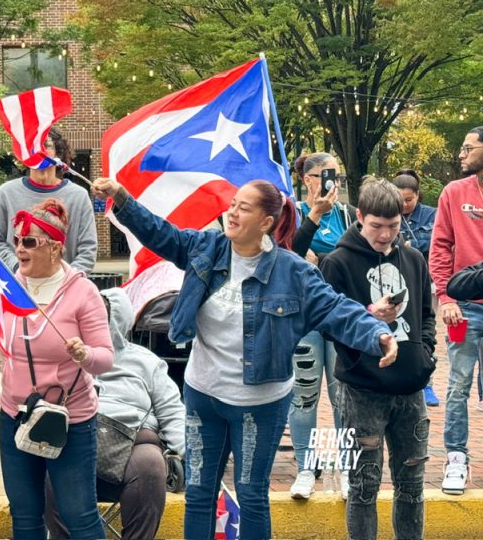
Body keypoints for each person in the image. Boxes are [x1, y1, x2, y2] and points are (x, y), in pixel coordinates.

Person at [91, 176, 397, 540]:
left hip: (260, 406)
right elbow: (162, 234)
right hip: (203, 397)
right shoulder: (207, 248)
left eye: (243, 207)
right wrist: (123, 199)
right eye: (233, 203)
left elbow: (336, 308)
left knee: (252, 495)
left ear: (266, 222)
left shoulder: (292, 271)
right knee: (200, 492)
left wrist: (378, 334)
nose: (232, 211)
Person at [0, 199, 114, 539]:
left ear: (56, 247)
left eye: (29, 242)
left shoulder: (83, 293)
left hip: (70, 419)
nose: (19, 248)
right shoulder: (6, 290)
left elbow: (105, 358)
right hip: (15, 415)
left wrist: (84, 355)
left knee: (80, 515)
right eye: (17, 241)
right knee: (25, 516)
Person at [320, 178, 434, 539]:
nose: (386, 235)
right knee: (363, 489)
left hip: (410, 390)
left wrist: (426, 354)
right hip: (362, 391)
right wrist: (370, 316)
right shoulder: (337, 262)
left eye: (394, 225)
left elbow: (426, 314)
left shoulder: (414, 258)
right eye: (377, 226)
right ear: (359, 217)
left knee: (413, 488)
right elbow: (326, 323)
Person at [44, 286, 185, 540]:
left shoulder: (146, 361)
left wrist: (187, 452)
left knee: (151, 466)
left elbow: (172, 410)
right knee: (48, 467)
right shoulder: (64, 356)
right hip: (75, 443)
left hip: (134, 445)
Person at [289, 152, 357, 499]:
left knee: (343, 395)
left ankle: (346, 467)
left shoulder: (348, 215)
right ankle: (305, 467)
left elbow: (356, 258)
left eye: (337, 175)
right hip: (304, 319)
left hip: (342, 316)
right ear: (307, 179)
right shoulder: (295, 212)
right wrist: (313, 216)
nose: (332, 181)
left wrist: (322, 261)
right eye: (324, 174)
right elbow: (289, 253)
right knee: (303, 395)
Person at [430, 125, 483, 495]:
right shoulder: (454, 192)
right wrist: (446, 299)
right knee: (458, 385)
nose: (461, 154)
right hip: (463, 308)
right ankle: (456, 459)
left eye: (468, 148)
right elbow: (440, 248)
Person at [0, 128, 98, 274]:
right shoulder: (7, 193)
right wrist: (18, 270)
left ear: (58, 153)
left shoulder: (79, 196)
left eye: (46, 145)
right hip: (18, 288)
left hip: (66, 289)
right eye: (34, 146)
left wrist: (67, 281)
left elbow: (88, 248)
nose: (40, 151)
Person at [393, 169, 441, 407]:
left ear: (418, 195)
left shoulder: (432, 215)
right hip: (396, 283)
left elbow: (439, 241)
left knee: (425, 331)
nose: (404, 204)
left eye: (409, 200)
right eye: (400, 200)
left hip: (425, 283)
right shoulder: (389, 214)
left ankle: (427, 383)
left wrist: (415, 244)